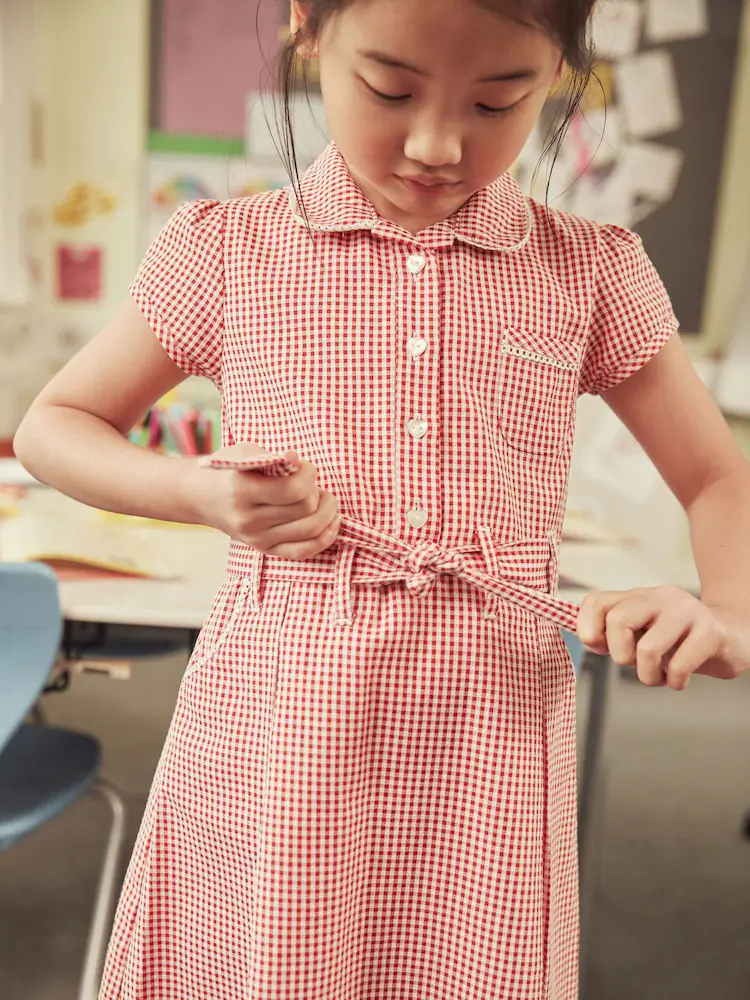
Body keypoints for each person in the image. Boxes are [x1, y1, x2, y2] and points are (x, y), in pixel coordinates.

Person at [13, 1, 750, 998]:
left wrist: (726, 610)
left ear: (560, 72)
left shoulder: (591, 269)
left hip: (485, 727)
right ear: (308, 28)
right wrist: (192, 488)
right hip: (280, 720)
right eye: (390, 89)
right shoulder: (228, 250)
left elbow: (717, 476)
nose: (439, 143)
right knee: (270, 960)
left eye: (501, 100)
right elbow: (57, 425)